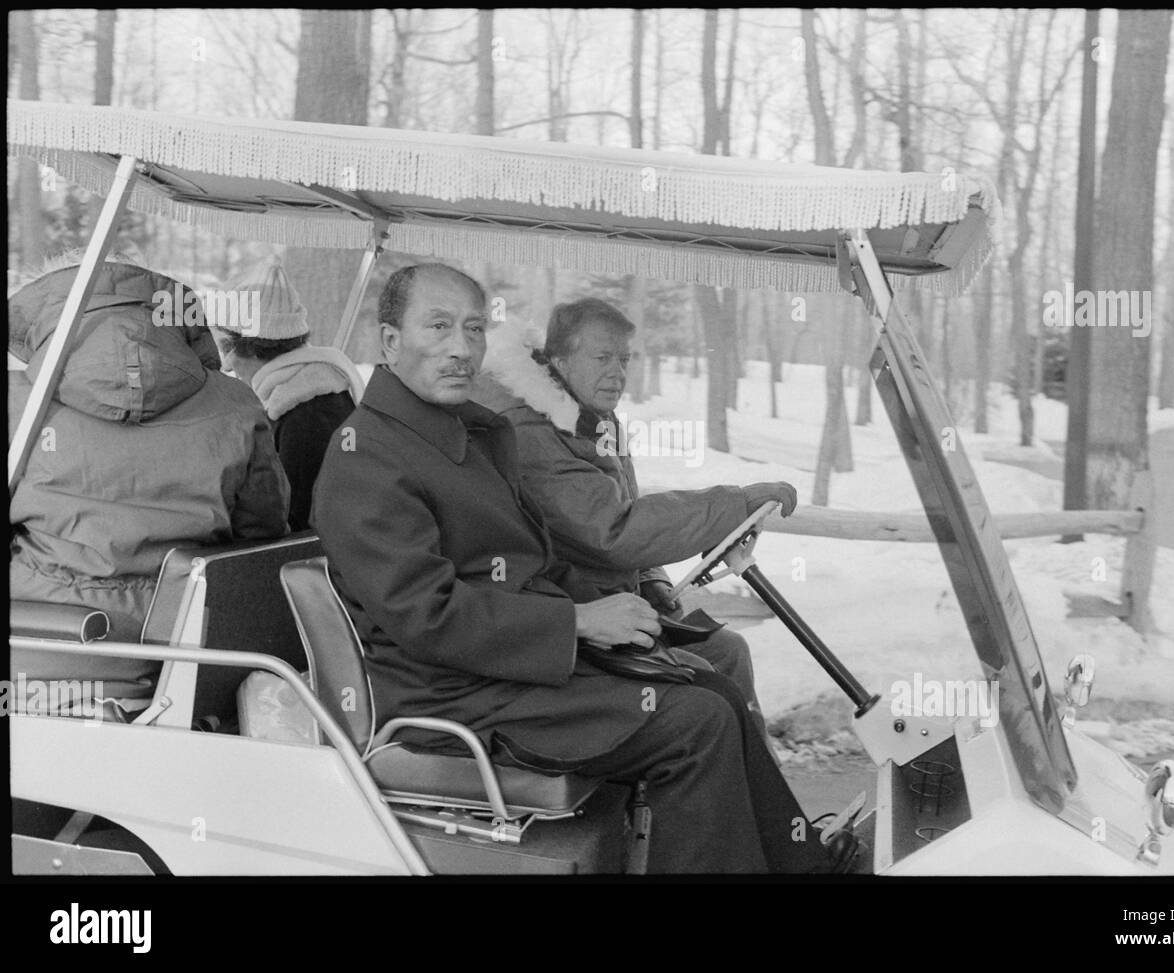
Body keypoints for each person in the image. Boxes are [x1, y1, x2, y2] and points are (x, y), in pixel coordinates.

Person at [311, 263, 838, 874]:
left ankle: (806, 866)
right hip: (451, 692)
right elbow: (428, 617)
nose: (461, 347)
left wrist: (629, 604)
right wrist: (580, 622)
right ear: (390, 341)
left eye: (475, 328)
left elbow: (531, 563)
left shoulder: (469, 436)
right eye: (439, 326)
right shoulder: (367, 458)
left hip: (507, 666)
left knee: (709, 680)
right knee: (696, 723)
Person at [473, 297, 793, 735]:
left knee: (729, 649)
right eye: (602, 357)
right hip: (569, 619)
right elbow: (614, 530)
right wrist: (736, 503)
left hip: (612, 599)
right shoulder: (530, 430)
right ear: (560, 360)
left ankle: (760, 797)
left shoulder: (592, 419)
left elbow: (628, 523)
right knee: (706, 683)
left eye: (624, 359)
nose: (618, 372)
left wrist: (653, 580)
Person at [8, 255, 290, 714]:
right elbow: (260, 538)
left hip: (32, 657)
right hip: (180, 661)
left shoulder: (19, 402)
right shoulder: (237, 404)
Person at [215, 258, 365, 531]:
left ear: (245, 347)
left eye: (226, 348)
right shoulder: (312, 391)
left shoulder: (306, 413)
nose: (227, 366)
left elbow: (296, 516)